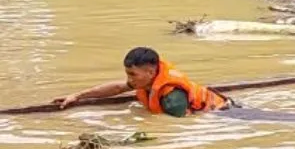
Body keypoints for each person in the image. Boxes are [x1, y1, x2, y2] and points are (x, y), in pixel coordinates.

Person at [52, 47, 231, 117]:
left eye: (133, 74)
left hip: (227, 115)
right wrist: (77, 96)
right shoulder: (145, 81)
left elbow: (180, 126)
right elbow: (116, 88)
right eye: (127, 74)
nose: (129, 79)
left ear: (150, 72)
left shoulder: (172, 98)